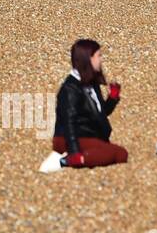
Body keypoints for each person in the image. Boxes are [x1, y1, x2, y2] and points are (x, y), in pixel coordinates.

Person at [43, 38, 127, 170]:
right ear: (88, 58)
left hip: (88, 135)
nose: (101, 60)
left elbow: (101, 113)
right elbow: (68, 122)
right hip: (70, 138)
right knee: (118, 153)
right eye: (98, 56)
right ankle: (71, 160)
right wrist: (74, 151)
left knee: (119, 154)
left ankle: (84, 157)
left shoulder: (90, 83)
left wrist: (113, 97)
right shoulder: (70, 89)